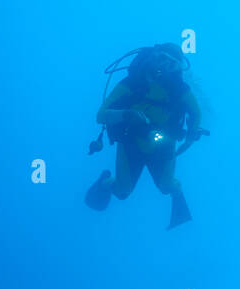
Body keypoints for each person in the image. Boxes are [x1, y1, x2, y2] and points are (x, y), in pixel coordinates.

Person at [85, 44, 205, 229]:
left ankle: (177, 195)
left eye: (172, 64)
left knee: (167, 186)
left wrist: (189, 138)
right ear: (154, 57)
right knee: (122, 191)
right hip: (131, 142)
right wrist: (126, 114)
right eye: (162, 59)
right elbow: (100, 115)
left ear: (177, 68)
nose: (164, 66)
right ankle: (105, 181)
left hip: (165, 144)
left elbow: (196, 113)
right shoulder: (132, 83)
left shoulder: (180, 89)